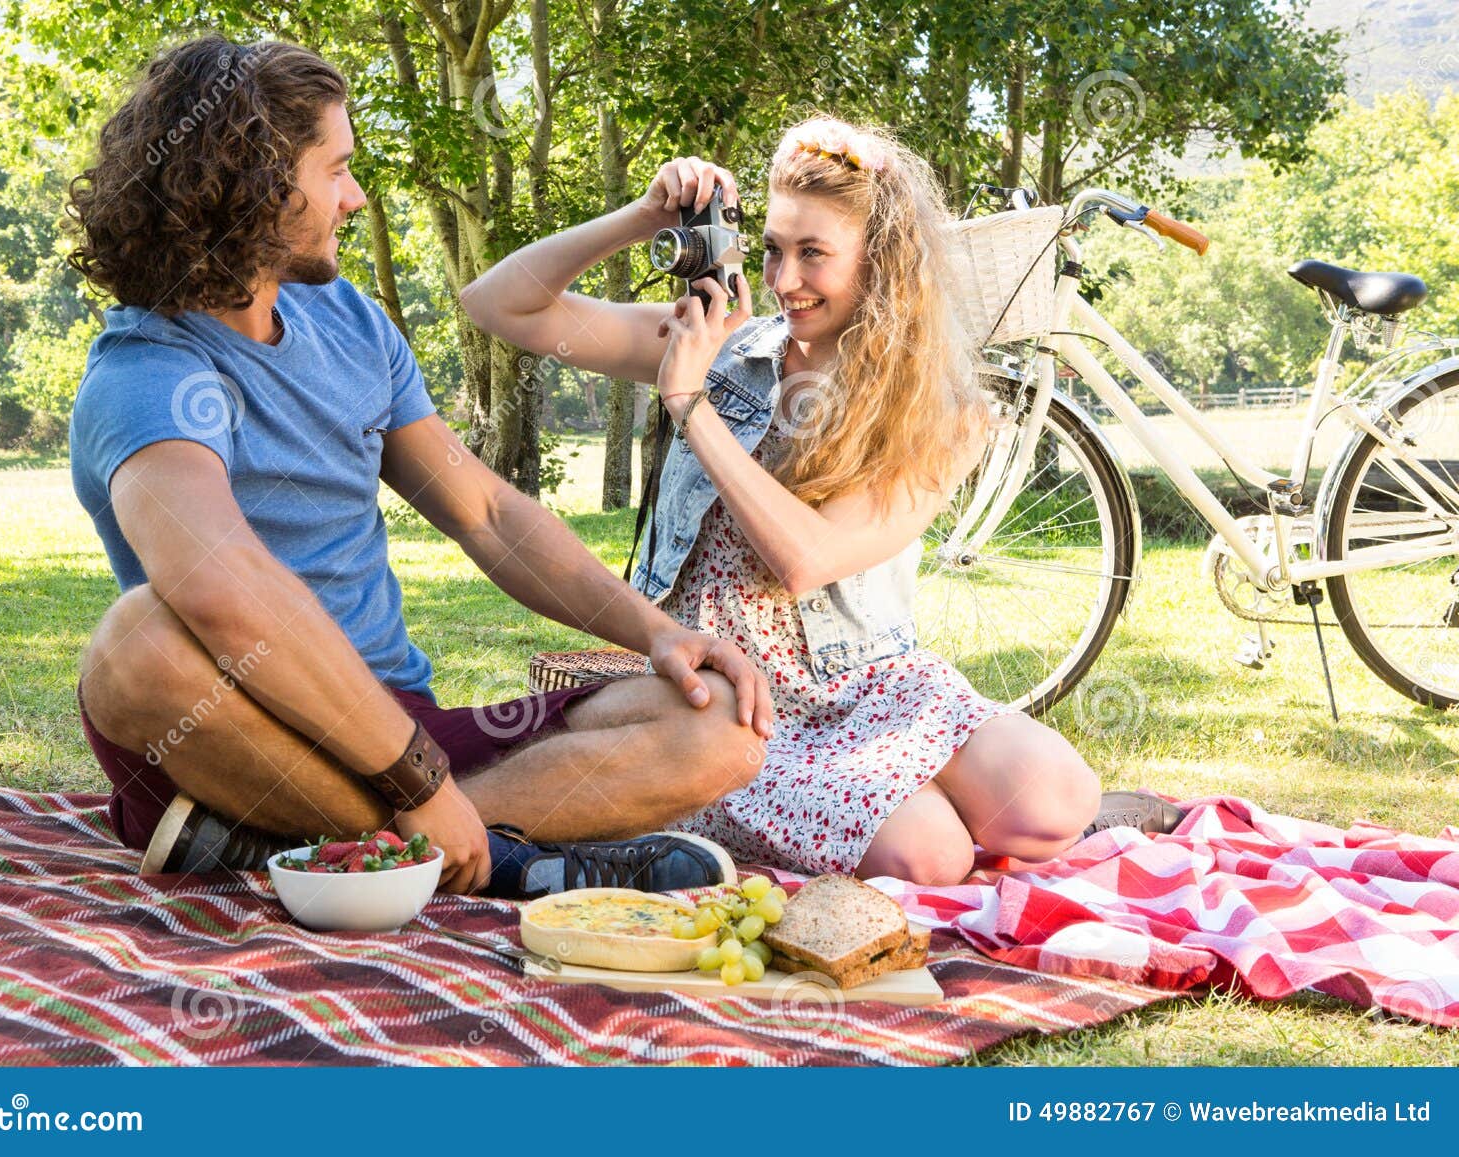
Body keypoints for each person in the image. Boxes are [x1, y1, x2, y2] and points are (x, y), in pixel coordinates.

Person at [64, 35, 778, 897]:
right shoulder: (146, 373)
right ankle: (489, 853)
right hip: (245, 733)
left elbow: (485, 513)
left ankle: (306, 847)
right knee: (132, 645)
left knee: (717, 723)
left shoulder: (348, 322)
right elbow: (219, 586)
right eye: (335, 170)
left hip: (401, 724)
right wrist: (419, 784)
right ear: (250, 181)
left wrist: (658, 633)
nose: (355, 197)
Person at [462, 116, 1185, 884]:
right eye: (773, 249)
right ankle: (881, 805)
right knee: (929, 856)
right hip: (729, 695)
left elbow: (806, 558)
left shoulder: (945, 409)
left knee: (1056, 801)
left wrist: (688, 406)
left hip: (868, 682)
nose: (783, 279)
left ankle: (924, 792)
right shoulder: (725, 348)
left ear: (881, 262)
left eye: (814, 254)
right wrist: (643, 216)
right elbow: (499, 306)